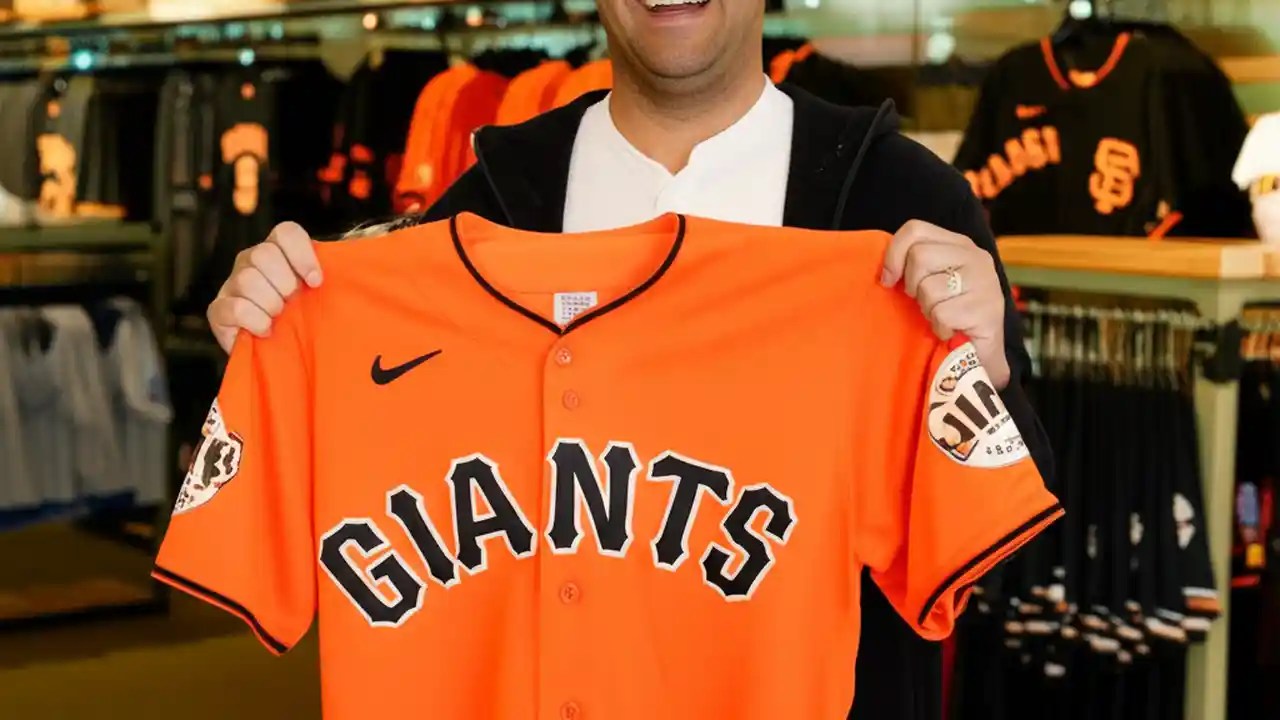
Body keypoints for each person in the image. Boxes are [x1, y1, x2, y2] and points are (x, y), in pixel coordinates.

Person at [206, 1, 1054, 718]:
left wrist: (986, 375)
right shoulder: (483, 201)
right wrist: (276, 346)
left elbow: (1007, 539)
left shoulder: (901, 204)